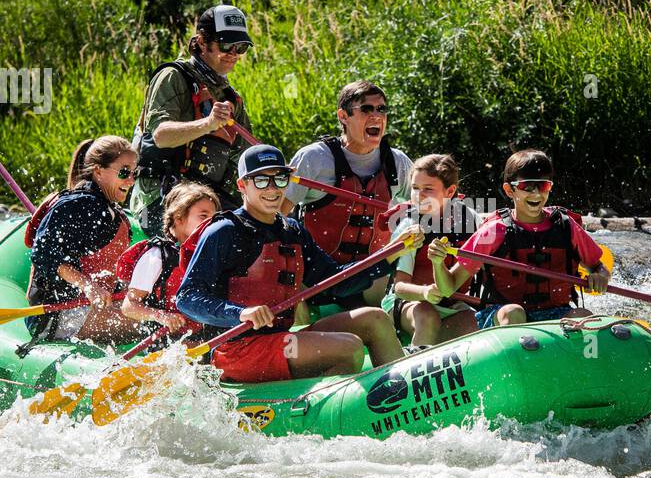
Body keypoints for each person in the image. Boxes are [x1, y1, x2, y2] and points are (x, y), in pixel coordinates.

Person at [176, 144, 422, 383]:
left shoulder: (292, 230)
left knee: (375, 319)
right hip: (238, 350)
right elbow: (187, 297)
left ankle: (403, 397)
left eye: (280, 179)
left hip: (281, 338)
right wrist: (239, 313)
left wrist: (388, 256)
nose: (272, 189)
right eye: (261, 180)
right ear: (242, 185)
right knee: (349, 348)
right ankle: (320, 411)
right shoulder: (224, 232)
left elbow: (334, 283)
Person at [430, 148, 610, 328]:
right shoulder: (493, 231)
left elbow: (598, 266)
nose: (536, 194)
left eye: (543, 186)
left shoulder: (566, 226)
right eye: (527, 187)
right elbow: (449, 287)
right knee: (514, 312)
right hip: (501, 314)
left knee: (583, 315)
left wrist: (600, 275)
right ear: (509, 190)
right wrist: (438, 263)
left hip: (556, 312)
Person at [280, 80, 412, 305]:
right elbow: (276, 217)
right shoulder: (314, 159)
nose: (376, 116)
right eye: (366, 109)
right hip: (315, 279)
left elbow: (430, 209)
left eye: (381, 109)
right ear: (343, 116)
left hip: (370, 280)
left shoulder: (397, 162)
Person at [129, 4, 255, 237]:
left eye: (241, 47)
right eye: (226, 45)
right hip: (160, 197)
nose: (234, 53)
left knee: (253, 236)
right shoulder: (172, 77)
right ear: (201, 42)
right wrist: (207, 124)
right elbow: (161, 135)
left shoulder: (230, 97)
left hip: (207, 199)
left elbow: (246, 156)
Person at [22, 136, 137, 349]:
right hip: (56, 317)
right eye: (124, 172)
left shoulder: (105, 206)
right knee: (151, 323)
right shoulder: (78, 206)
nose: (130, 181)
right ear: (98, 171)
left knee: (154, 308)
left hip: (86, 308)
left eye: (133, 173)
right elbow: (43, 255)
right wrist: (88, 286)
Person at [381, 154, 480, 349]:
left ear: (450, 191)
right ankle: (413, 370)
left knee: (472, 320)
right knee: (428, 315)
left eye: (428, 189)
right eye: (415, 189)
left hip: (450, 304)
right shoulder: (409, 226)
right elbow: (400, 287)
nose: (419, 196)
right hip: (407, 302)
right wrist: (425, 292)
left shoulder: (471, 220)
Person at [116, 181, 220, 338]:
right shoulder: (158, 256)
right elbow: (129, 307)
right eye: (203, 216)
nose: (211, 224)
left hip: (204, 339)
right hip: (166, 344)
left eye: (214, 218)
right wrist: (161, 316)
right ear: (178, 219)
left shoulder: (214, 255)